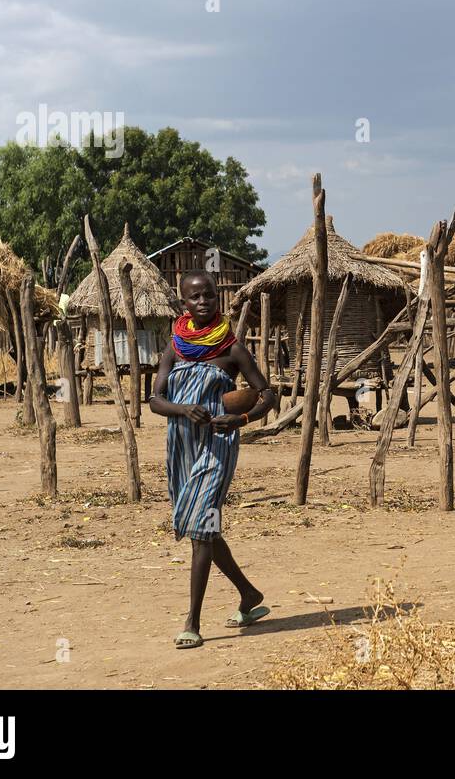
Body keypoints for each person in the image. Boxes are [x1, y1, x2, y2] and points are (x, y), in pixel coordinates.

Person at [149, 270, 275, 649]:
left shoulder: (232, 348)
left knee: (203, 524)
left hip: (218, 447)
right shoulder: (174, 347)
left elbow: (268, 393)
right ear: (183, 302)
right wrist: (183, 410)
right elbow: (155, 400)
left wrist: (242, 419)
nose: (202, 302)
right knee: (203, 529)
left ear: (218, 298)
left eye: (208, 296)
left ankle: (192, 621)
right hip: (181, 445)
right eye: (194, 297)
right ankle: (249, 596)